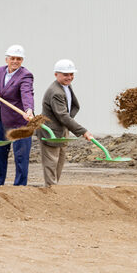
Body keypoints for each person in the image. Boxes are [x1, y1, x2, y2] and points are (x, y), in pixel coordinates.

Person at [38, 59, 93, 187]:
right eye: (65, 74)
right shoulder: (55, 92)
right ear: (56, 74)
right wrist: (83, 131)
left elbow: (69, 111)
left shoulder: (66, 86)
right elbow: (62, 115)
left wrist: (68, 125)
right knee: (51, 163)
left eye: (71, 74)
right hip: (50, 131)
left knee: (59, 162)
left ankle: (54, 190)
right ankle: (51, 190)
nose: (69, 77)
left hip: (62, 130)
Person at [0, 44, 35, 186]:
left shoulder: (26, 75)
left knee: (21, 156)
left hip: (19, 121)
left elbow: (27, 93)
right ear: (7, 59)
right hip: (2, 119)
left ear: (22, 60)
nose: (15, 61)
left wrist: (29, 110)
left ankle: (20, 187)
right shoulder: (0, 71)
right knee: (0, 153)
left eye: (19, 59)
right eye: (13, 58)